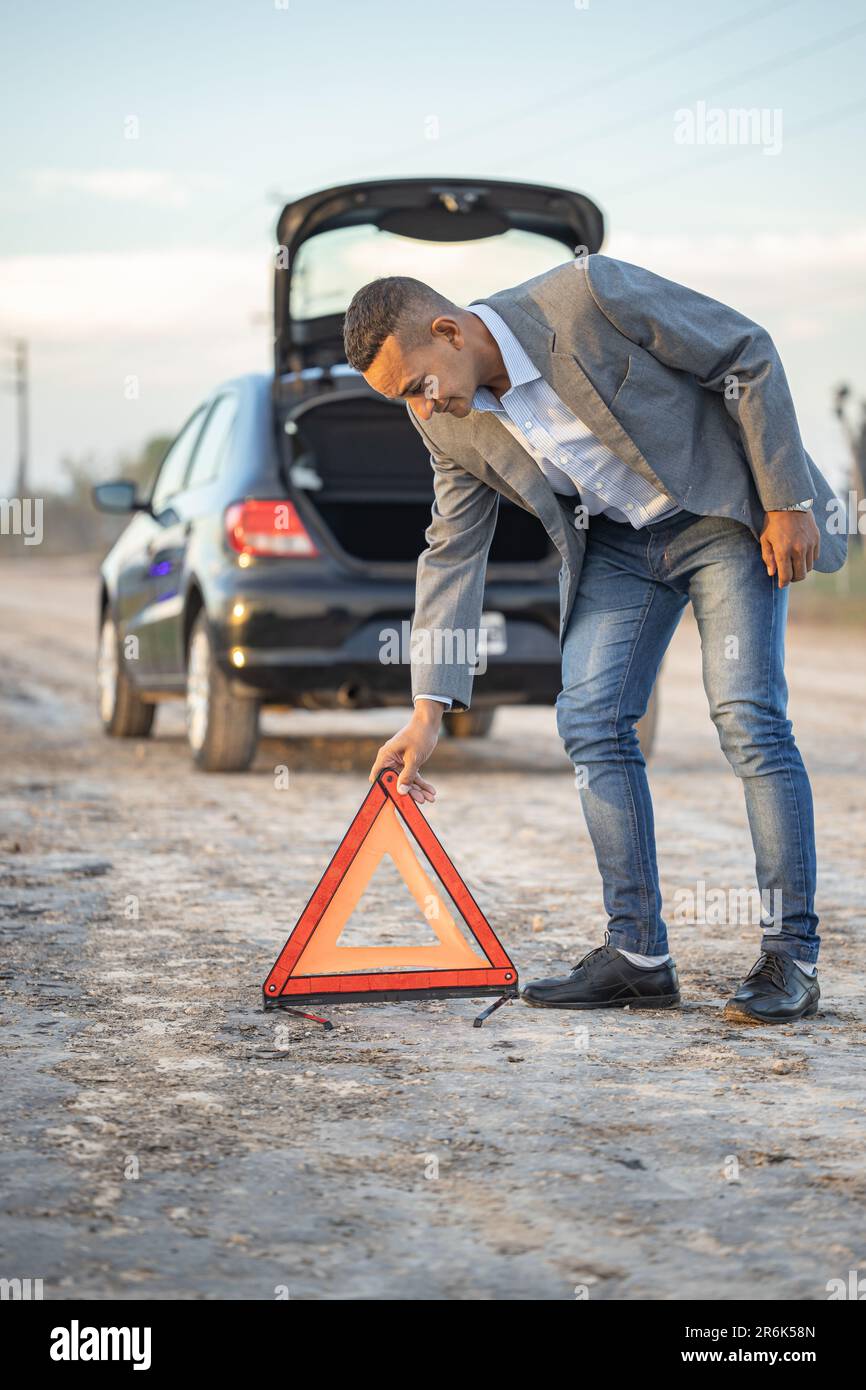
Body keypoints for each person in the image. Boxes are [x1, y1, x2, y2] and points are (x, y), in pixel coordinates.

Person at [342, 255, 847, 1024]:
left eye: (418, 383)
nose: (425, 404)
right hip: (622, 547)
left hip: (723, 516)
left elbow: (745, 352)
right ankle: (639, 955)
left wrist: (787, 502)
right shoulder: (447, 423)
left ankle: (793, 957)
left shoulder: (585, 296)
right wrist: (427, 710)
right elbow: (451, 550)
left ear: (447, 331)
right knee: (589, 719)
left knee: (747, 718)